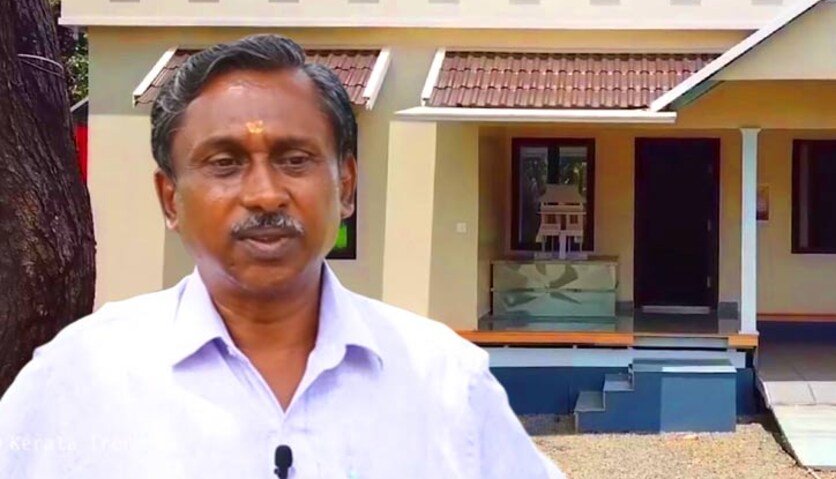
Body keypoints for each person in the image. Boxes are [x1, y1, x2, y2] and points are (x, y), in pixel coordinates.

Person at [0, 34, 564, 478]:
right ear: (170, 199)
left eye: (295, 159)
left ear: (346, 185)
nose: (266, 194)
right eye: (224, 163)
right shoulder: (80, 380)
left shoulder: (443, 379)